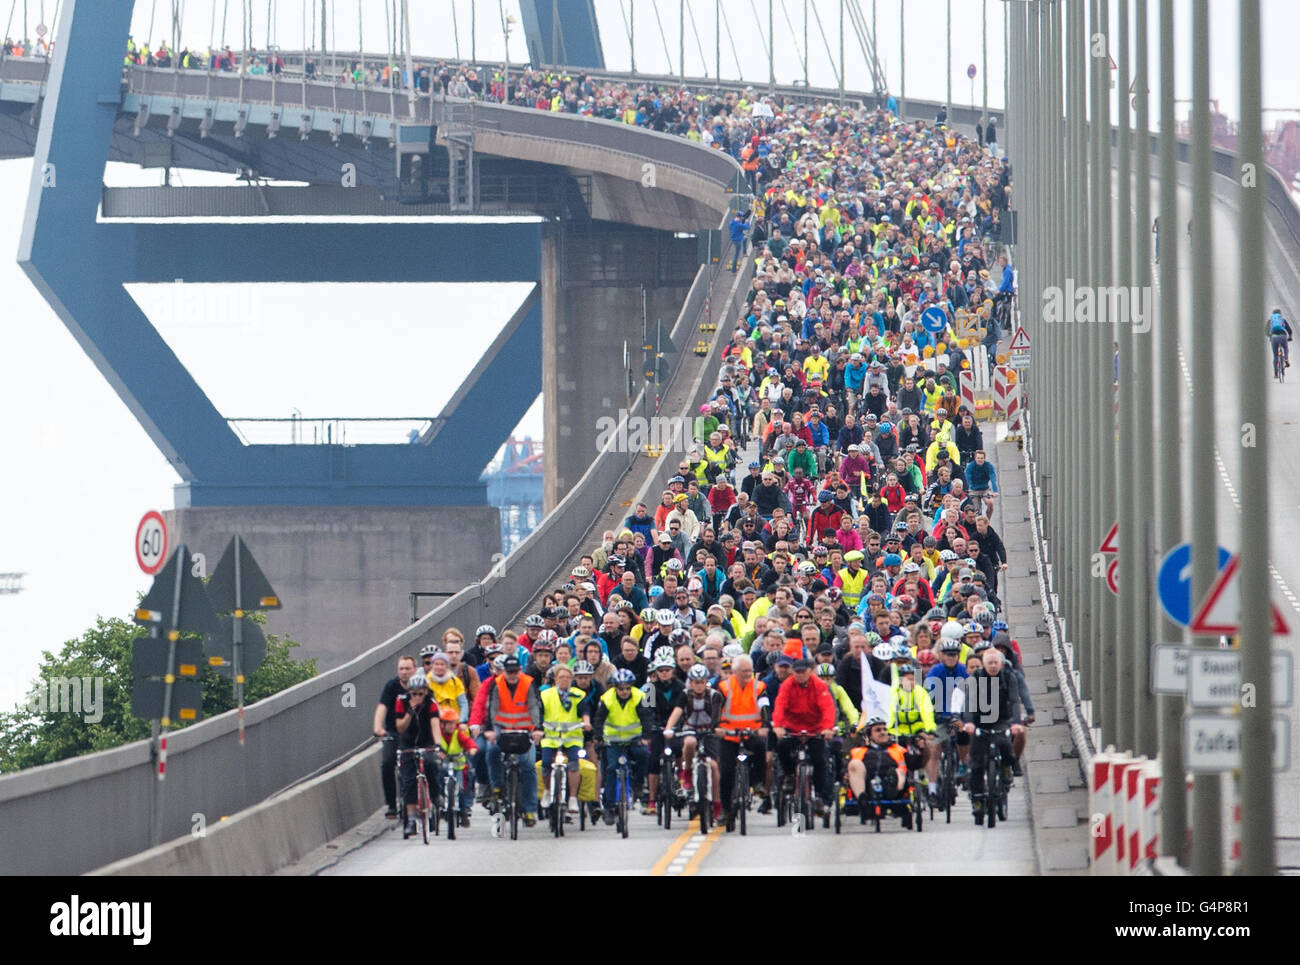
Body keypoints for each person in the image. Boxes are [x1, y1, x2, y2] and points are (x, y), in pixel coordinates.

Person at [962, 646, 1025, 824]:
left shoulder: (1008, 677)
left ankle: (1006, 769)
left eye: (995, 662)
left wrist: (1015, 723)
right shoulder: (975, 678)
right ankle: (978, 800)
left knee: (1005, 746)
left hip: (1001, 720)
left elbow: (1014, 701)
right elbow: (969, 702)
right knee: (976, 764)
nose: (993, 666)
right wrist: (969, 722)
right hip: (980, 722)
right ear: (984, 664)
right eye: (989, 663)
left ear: (1000, 663)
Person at [483, 656, 543, 827]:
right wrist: (489, 729)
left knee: (528, 766)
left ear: (520, 670)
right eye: (509, 672)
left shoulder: (528, 683)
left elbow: (534, 706)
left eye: (515, 672)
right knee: (492, 750)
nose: (512, 675)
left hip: (525, 729)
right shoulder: (497, 683)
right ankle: (497, 787)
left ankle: (530, 810)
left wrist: (537, 728)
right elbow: (491, 707)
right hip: (502, 727)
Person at [772, 657, 836, 815]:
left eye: (803, 672)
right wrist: (778, 726)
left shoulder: (819, 685)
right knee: (782, 747)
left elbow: (827, 708)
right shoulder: (787, 685)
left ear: (809, 671)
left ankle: (820, 795)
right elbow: (780, 705)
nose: (800, 675)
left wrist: (827, 728)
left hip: (815, 729)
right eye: (797, 672)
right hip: (792, 727)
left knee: (819, 759)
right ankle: (788, 776)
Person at [663, 663, 726, 824]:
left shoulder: (714, 695)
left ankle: (718, 803)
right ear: (690, 682)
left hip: (709, 730)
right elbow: (677, 712)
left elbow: (718, 716)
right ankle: (687, 771)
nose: (698, 685)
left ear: (706, 682)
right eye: (695, 682)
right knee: (689, 743)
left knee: (714, 765)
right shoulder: (685, 695)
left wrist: (718, 729)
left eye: (702, 681)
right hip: (690, 728)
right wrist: (669, 729)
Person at [593, 668, 654, 823]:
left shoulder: (639, 696)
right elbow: (599, 720)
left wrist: (646, 736)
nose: (625, 692)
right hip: (613, 740)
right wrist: (598, 737)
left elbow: (646, 718)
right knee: (611, 768)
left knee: (643, 755)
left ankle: (639, 784)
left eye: (627, 688)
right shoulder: (607, 699)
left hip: (634, 738)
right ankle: (608, 807)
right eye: (621, 689)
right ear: (615, 688)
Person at [716, 654, 771, 824]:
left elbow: (765, 707)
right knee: (726, 772)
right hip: (729, 734)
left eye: (750, 671)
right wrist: (716, 727)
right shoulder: (724, 687)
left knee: (761, 748)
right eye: (744, 671)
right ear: (735, 672)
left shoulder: (759, 686)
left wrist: (764, 726)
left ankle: (757, 782)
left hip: (752, 732)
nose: (748, 674)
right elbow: (716, 709)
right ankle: (725, 809)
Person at [539, 664, 591, 816]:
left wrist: (586, 722)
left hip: (572, 737)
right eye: (561, 677)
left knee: (574, 764)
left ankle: (573, 797)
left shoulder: (578, 694)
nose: (565, 680)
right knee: (546, 763)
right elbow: (540, 713)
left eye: (568, 677)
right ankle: (548, 791)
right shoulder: (546, 695)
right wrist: (537, 728)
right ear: (555, 679)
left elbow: (584, 710)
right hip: (551, 738)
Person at [394, 671, 438, 838]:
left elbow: (435, 725)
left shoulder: (431, 702)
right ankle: (412, 818)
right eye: (414, 694)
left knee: (432, 765)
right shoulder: (402, 702)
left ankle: (435, 798)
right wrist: (410, 712)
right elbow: (400, 727)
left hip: (426, 741)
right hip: (408, 743)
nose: (418, 697)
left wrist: (438, 745)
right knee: (409, 780)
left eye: (421, 693)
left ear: (426, 692)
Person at [373, 654, 416, 818]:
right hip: (393, 733)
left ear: (414, 670)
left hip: (413, 734)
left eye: (407, 669)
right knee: (387, 763)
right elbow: (382, 708)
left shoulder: (420, 686)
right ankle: (391, 804)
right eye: (401, 669)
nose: (404, 672)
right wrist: (378, 728)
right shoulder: (391, 686)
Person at [431, 705, 479, 827]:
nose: (451, 726)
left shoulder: (458, 734)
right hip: (443, 766)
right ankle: (439, 805)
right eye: (448, 723)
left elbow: (468, 742)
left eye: (453, 723)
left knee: (461, 789)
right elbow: (432, 746)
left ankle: (463, 812)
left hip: (457, 766)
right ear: (442, 724)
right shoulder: (438, 735)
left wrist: (472, 748)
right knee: (438, 785)